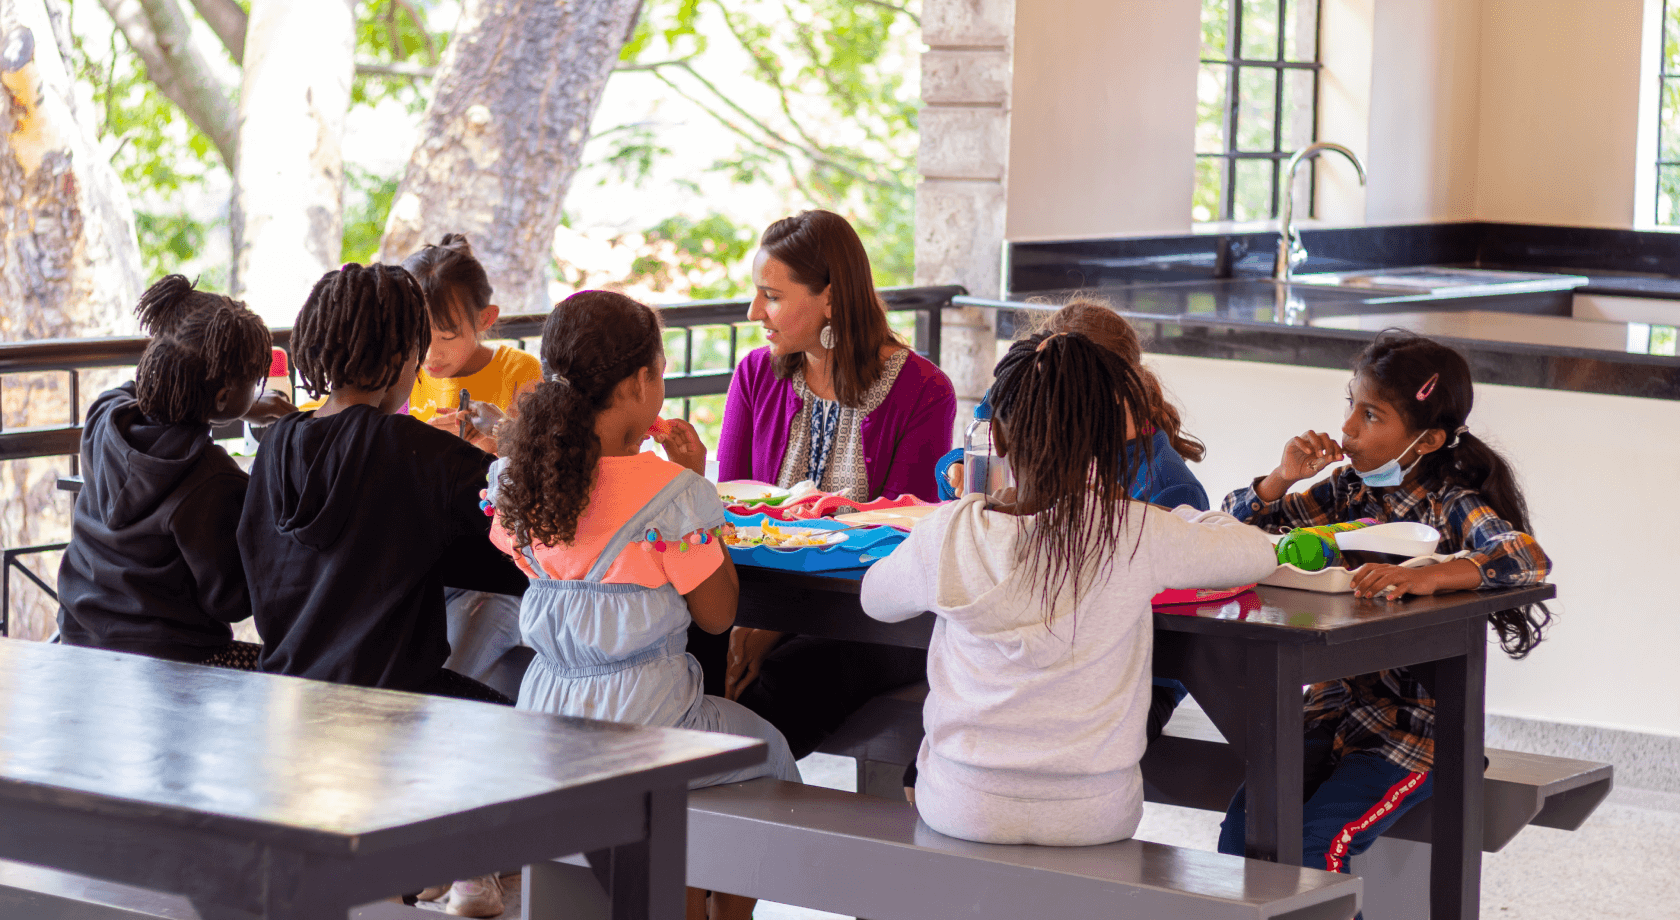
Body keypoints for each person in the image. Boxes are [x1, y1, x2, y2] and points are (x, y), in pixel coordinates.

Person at [859, 331, 1276, 845]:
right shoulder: (1133, 530)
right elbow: (1257, 552)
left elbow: (875, 600)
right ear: (1110, 438)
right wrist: (1176, 517)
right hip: (1094, 816)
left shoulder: (951, 532)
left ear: (999, 440)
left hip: (961, 805)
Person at [488, 290, 799, 920]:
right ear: (638, 382)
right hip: (649, 726)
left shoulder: (521, 479)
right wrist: (699, 491)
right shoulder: (673, 494)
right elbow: (717, 614)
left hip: (544, 720)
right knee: (771, 756)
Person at [1218, 329, 1552, 875]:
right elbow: (1229, 530)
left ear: (1427, 440)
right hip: (1330, 708)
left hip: (1416, 736)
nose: (1348, 427)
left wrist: (1430, 575)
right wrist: (1281, 479)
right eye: (1351, 404)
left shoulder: (1448, 503)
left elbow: (1525, 556)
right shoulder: (1347, 489)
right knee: (1242, 835)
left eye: (1371, 415)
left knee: (1316, 848)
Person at [712, 209, 957, 760]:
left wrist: (773, 629)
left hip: (874, 619)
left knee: (781, 681)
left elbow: (901, 538)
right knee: (695, 655)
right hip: (760, 602)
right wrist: (756, 619)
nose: (754, 312)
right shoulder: (754, 374)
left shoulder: (924, 390)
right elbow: (730, 515)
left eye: (772, 296)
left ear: (831, 298)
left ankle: (717, 799)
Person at [237, 262, 527, 702]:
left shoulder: (276, 443)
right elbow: (531, 519)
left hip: (286, 688)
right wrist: (509, 435)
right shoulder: (417, 449)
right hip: (395, 701)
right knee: (519, 718)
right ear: (404, 356)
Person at [934, 300, 1212, 748]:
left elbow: (1174, 607)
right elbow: (978, 444)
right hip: (1048, 651)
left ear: (1113, 393)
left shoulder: (1166, 484)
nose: (1048, 411)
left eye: (1065, 397)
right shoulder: (1045, 429)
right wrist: (958, 469)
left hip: (1137, 675)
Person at [58, 275, 293, 668]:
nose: (256, 390)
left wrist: (237, 406)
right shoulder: (212, 478)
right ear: (222, 396)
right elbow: (233, 601)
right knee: (292, 673)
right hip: (170, 663)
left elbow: (147, 389)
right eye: (253, 383)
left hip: (80, 638)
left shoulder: (105, 414)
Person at [403, 233, 543, 699]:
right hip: (426, 567)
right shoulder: (402, 374)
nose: (430, 355)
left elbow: (540, 474)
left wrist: (496, 441)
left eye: (447, 337)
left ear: (485, 319)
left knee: (441, 685)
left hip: (498, 571)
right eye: (419, 338)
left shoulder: (518, 371)